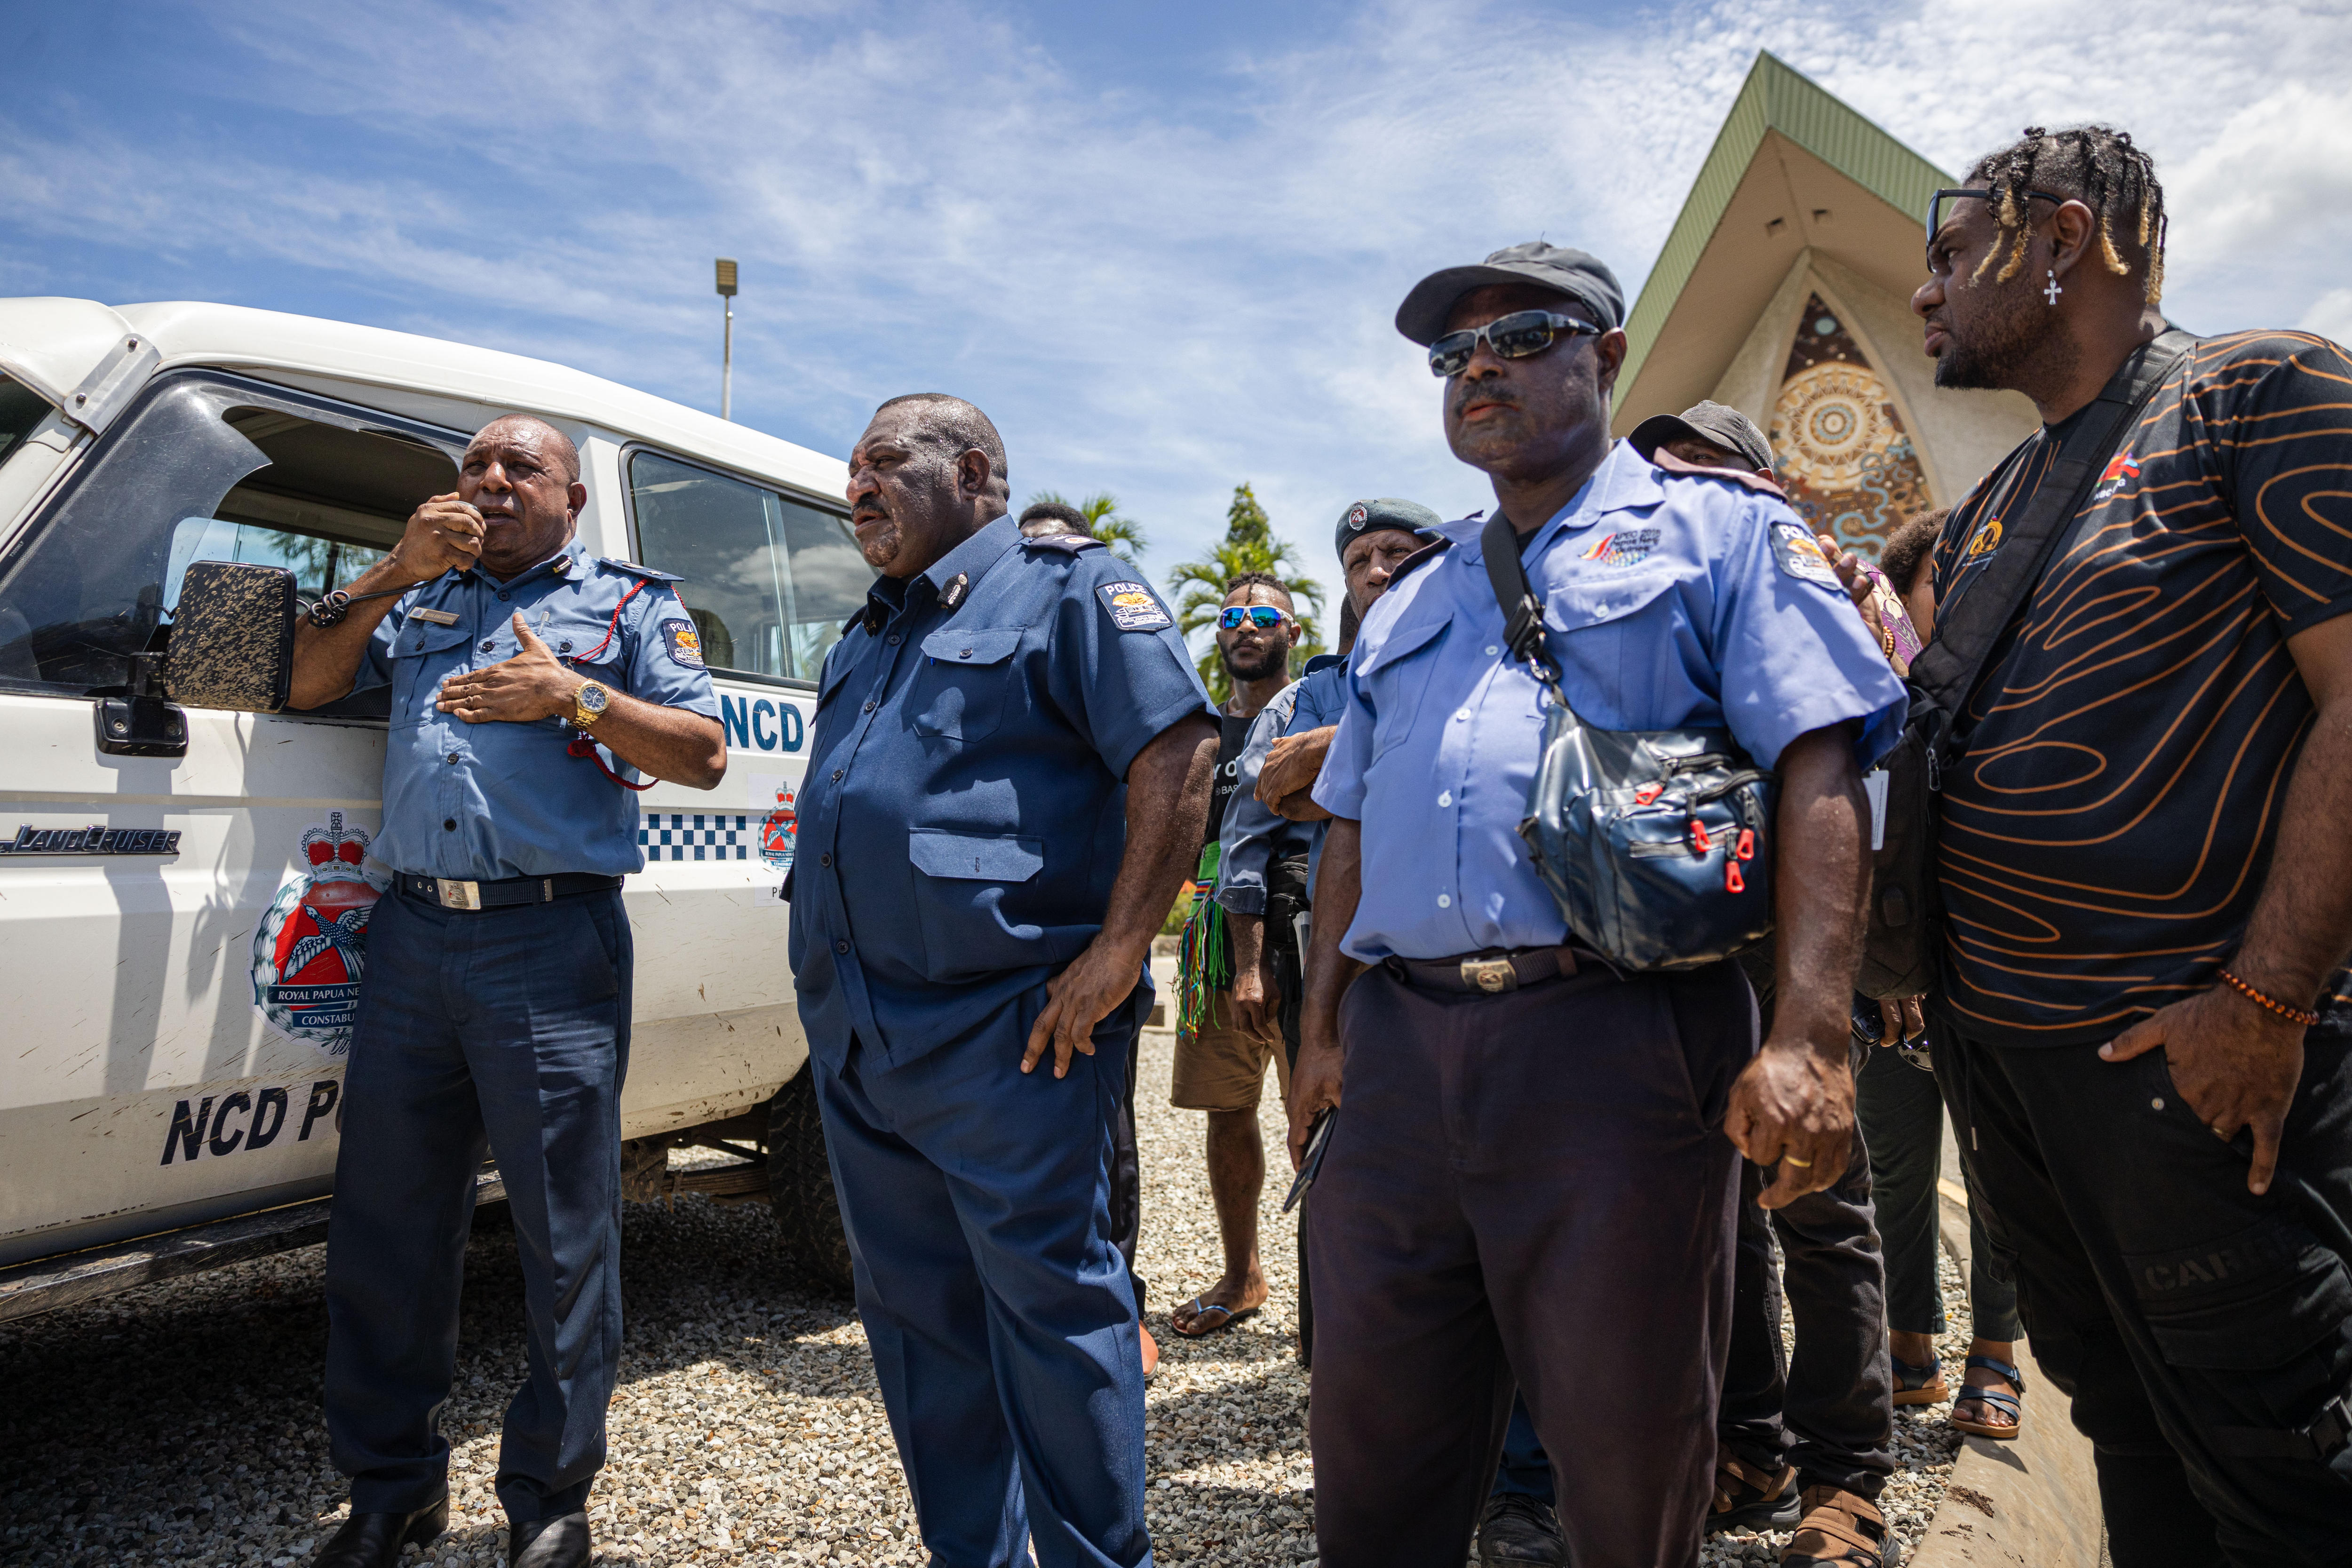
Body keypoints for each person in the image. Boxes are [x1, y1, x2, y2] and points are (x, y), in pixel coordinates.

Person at [1288, 240, 1905, 1568]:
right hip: (1397, 1056)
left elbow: (1825, 759)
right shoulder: (1416, 595)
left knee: (1630, 1453)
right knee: (1374, 1452)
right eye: (1454, 355)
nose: (1481, 367)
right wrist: (1323, 1030)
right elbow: (1347, 811)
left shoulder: (1725, 531)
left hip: (1613, 1043)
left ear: (1606, 353)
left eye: (1520, 333)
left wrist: (1809, 1034)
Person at [1913, 126, 2352, 1565]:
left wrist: (2270, 997)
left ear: (2058, 238)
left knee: (2288, 1454)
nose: (1924, 294)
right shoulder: (1992, 506)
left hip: (2205, 1073)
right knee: (2127, 1425)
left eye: (1945, 247)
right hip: (2022, 1078)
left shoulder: (2261, 392)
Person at [286, 415, 727, 1568]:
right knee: (387, 1228)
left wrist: (570, 695)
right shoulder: (419, 595)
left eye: (519, 467)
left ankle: (548, 1494)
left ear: (572, 499)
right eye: (475, 466)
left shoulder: (630, 604)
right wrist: (392, 569)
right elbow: (304, 676)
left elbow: (702, 749)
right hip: (413, 937)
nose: (490, 481)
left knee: (562, 1235)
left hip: (550, 939)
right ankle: (391, 1490)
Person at [787, 394, 1216, 1568]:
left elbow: (1177, 752)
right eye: (852, 470)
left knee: (1054, 1316)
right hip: (861, 1033)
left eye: (884, 462)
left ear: (972, 467)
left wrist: (1120, 950)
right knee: (920, 1326)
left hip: (1010, 1030)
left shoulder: (1070, 585)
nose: (856, 486)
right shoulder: (870, 628)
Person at [1216, 498, 1443, 1366]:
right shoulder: (1309, 689)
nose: (1381, 570)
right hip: (1334, 957)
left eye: (1400, 552)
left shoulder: (1487, 655)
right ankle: (1335, 1356)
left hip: (1454, 956)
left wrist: (1344, 753)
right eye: (1362, 559)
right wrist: (1248, 964)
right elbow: (1264, 805)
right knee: (1332, 1144)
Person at [1831, 506, 2027, 1442]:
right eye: (1942, 578)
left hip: (1992, 969)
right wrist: (1881, 961)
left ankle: (1995, 1354)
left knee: (1998, 1166)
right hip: (1886, 976)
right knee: (1898, 1167)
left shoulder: (2017, 686)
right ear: (1903, 592)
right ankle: (1910, 1340)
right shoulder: (1870, 696)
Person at [1016, 495, 1161, 1378]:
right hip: (996, 953)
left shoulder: (1102, 638)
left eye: (1052, 549)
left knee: (1105, 1137)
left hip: (1086, 949)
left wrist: (1122, 944)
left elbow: (1167, 774)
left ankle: (1122, 1306)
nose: (1039, 566)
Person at [1167, 572, 1303, 1339]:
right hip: (1212, 945)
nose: (1245, 627)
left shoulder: (1310, 717)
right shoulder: (1203, 734)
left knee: (1319, 1115)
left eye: (1262, 616)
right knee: (1228, 1110)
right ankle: (1242, 1272)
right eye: (1232, 617)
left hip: (1295, 939)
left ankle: (1334, 1300)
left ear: (1291, 629)